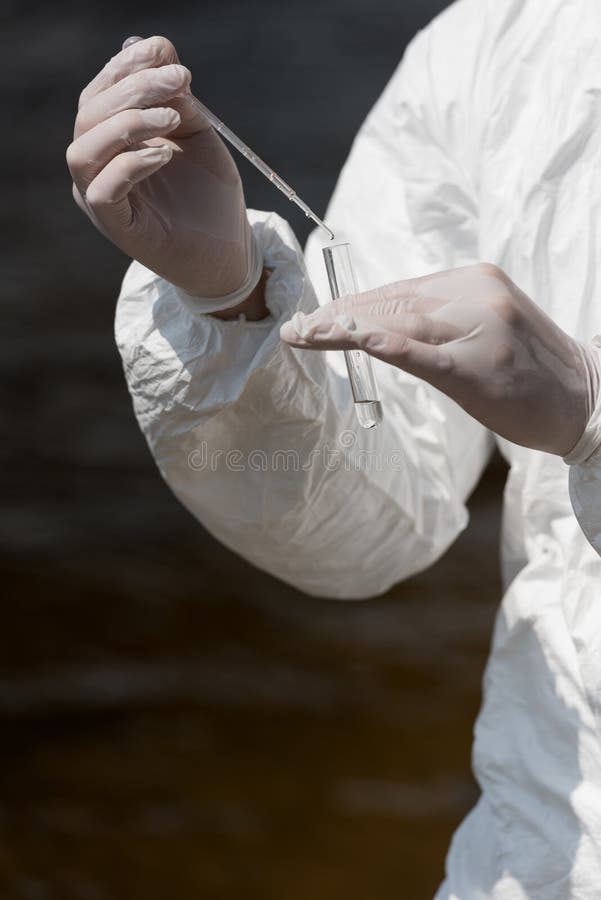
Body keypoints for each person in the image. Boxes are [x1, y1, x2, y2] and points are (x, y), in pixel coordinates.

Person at [66, 0, 601, 895]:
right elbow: (372, 527)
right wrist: (230, 300)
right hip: (544, 838)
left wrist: (591, 416)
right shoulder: (497, 43)